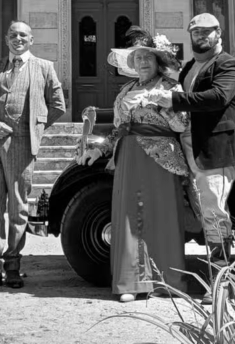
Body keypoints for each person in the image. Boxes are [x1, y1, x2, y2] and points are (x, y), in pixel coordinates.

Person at [78, 45, 194, 303]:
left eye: (147, 57)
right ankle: (131, 281)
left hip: (162, 158)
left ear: (158, 61)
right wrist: (99, 151)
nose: (142, 62)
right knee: (130, 217)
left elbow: (181, 124)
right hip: (129, 157)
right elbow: (120, 129)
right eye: (138, 58)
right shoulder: (126, 90)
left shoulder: (171, 87)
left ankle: (168, 282)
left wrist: (163, 105)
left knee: (162, 216)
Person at [145, 13, 235, 304]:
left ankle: (222, 283)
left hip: (214, 150)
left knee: (214, 212)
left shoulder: (228, 64)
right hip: (187, 148)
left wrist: (172, 100)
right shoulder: (189, 66)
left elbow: (217, 97)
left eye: (206, 32)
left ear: (218, 32)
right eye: (195, 32)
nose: (201, 36)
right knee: (202, 213)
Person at [0, 21, 66, 291]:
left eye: (23, 35)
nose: (17, 39)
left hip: (22, 145)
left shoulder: (44, 67)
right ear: (6, 38)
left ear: (31, 40)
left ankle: (13, 265)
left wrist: (34, 128)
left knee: (18, 208)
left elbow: (58, 105)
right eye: (12, 35)